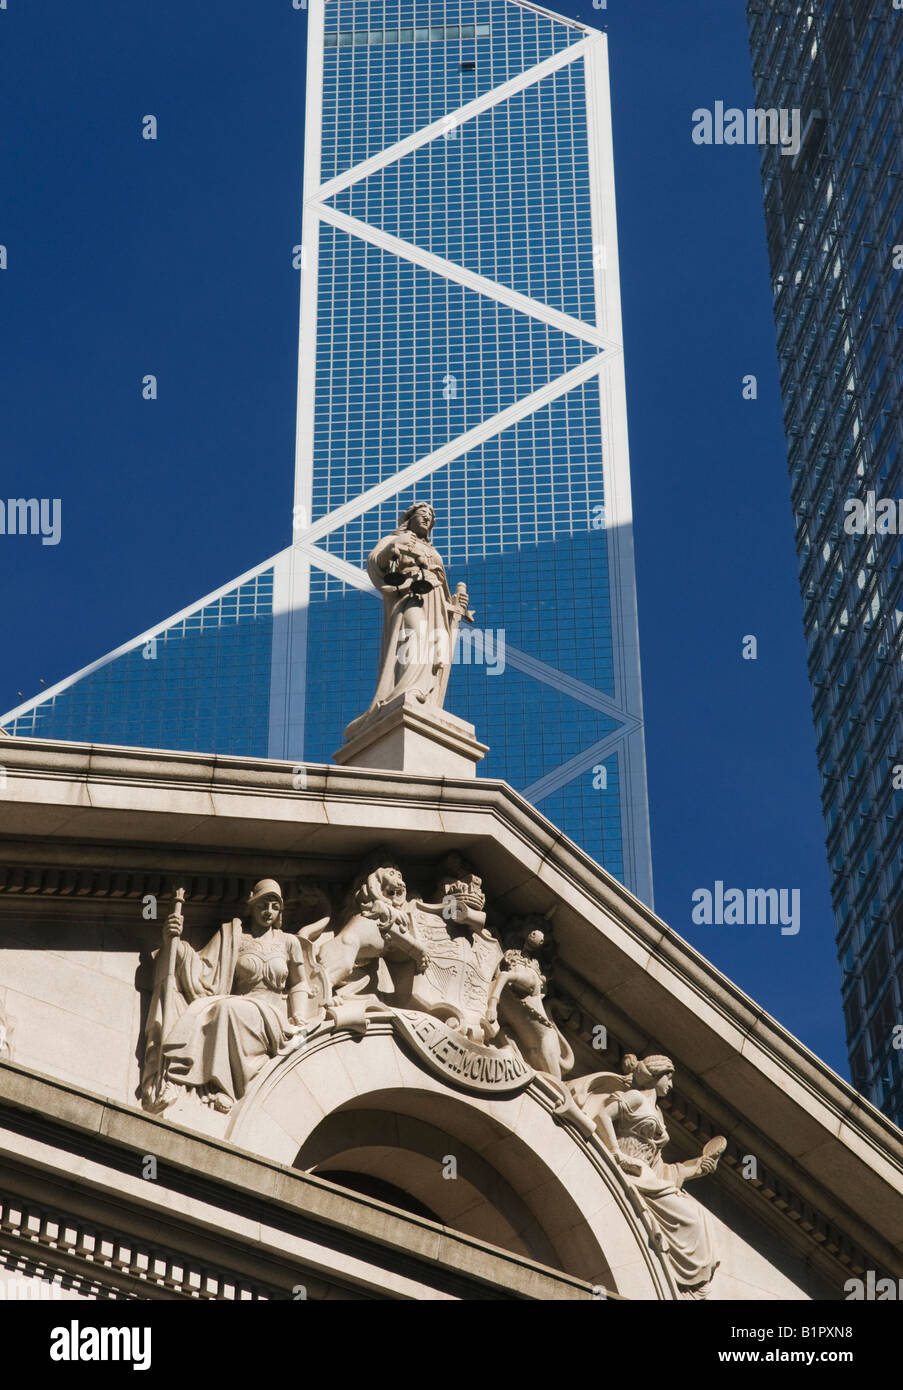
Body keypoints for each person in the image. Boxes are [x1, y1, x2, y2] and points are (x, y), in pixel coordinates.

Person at [143, 880, 308, 1114]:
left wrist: (299, 1017)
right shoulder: (233, 936)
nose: (268, 911)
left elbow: (299, 982)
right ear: (251, 905)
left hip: (274, 1016)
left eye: (274, 906)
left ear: (280, 910)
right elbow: (203, 967)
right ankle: (199, 1081)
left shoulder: (288, 942)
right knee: (213, 1010)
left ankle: (227, 1086)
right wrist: (175, 944)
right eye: (263, 904)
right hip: (240, 1003)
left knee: (226, 1009)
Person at [571, 1053, 723, 1295]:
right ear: (657, 1075)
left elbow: (658, 1166)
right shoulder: (636, 1098)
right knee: (692, 1219)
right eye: (669, 1078)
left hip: (646, 1173)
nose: (671, 1085)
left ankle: (687, 1284)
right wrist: (616, 1153)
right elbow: (603, 1116)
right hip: (629, 1169)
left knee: (697, 1217)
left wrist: (696, 1168)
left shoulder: (658, 1113)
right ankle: (684, 1284)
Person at [360, 502, 472, 715]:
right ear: (409, 518)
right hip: (409, 594)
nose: (427, 518)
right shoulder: (395, 539)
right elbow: (375, 562)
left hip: (435, 597)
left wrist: (455, 605)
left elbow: (442, 585)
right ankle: (406, 690)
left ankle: (425, 693)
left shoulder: (433, 551)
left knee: (433, 644)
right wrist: (395, 546)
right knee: (415, 634)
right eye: (422, 513)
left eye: (430, 516)